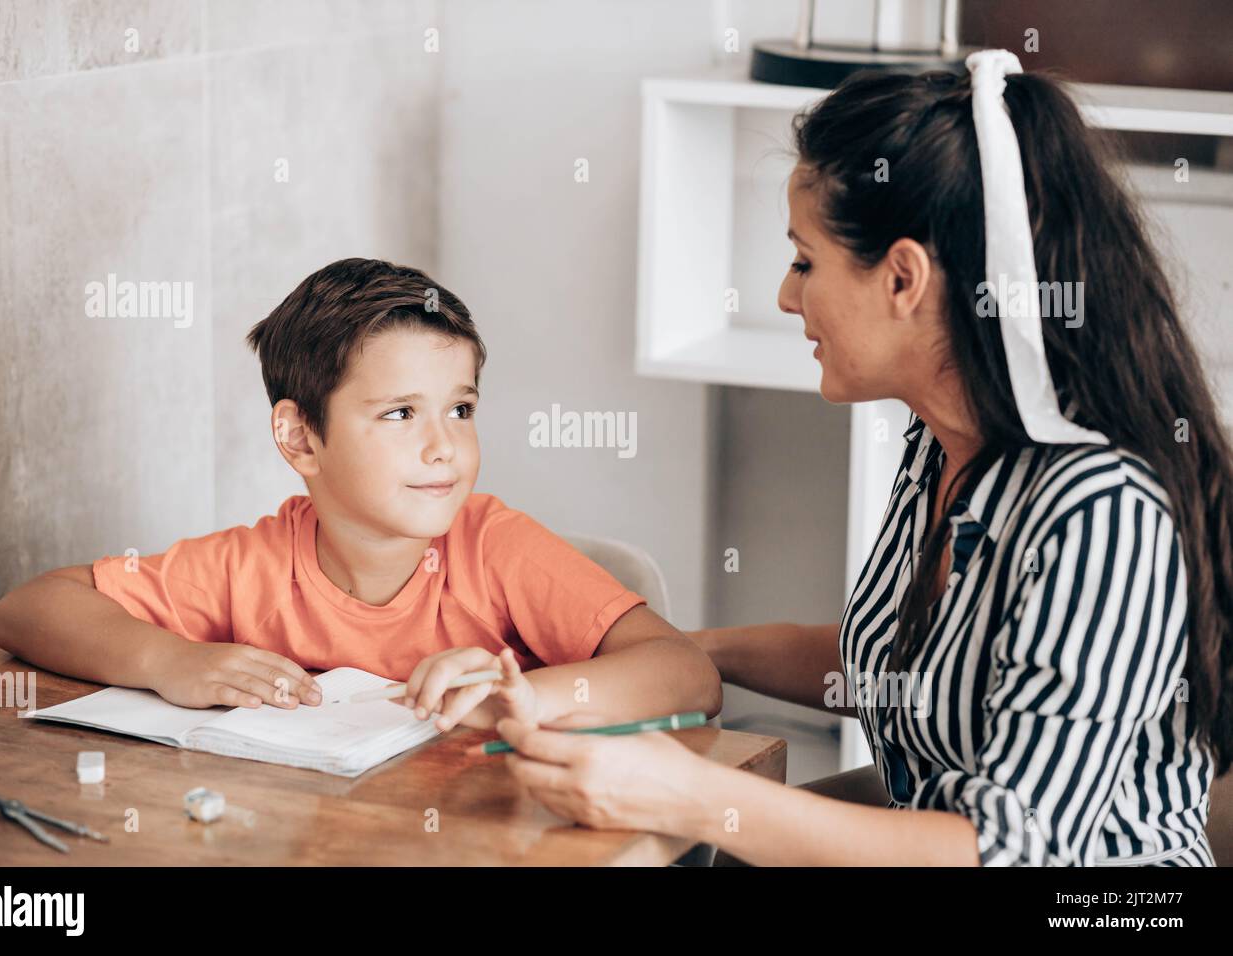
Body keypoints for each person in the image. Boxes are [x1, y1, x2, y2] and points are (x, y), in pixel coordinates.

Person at [492, 51, 1233, 866]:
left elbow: (1012, 852)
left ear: (903, 278)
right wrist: (674, 657)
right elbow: (892, 661)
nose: (784, 295)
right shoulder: (941, 444)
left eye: (805, 261)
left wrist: (691, 792)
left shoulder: (1104, 510)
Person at [0, 258, 721, 735]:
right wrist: (167, 662)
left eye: (460, 410)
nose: (444, 446)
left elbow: (687, 673)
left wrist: (529, 698)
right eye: (401, 414)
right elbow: (27, 609)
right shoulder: (255, 565)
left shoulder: (495, 548)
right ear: (300, 438)